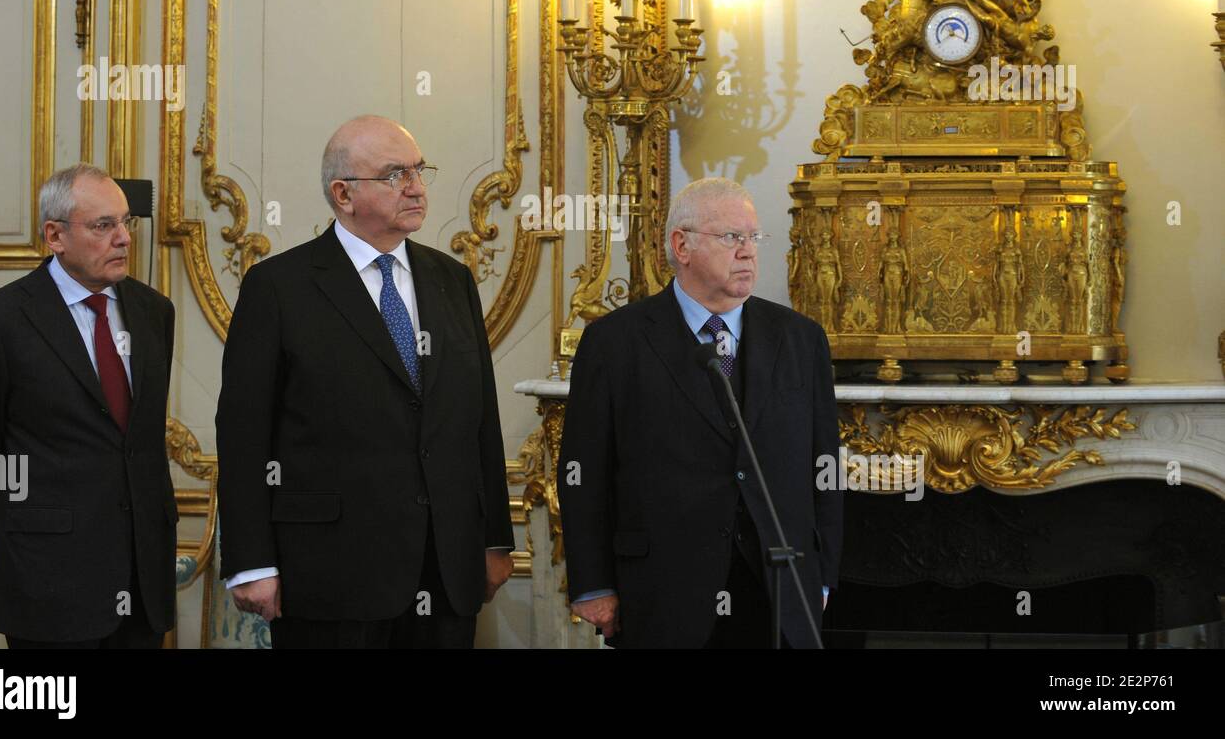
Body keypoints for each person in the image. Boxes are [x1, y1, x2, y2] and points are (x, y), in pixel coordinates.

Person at [216, 115, 514, 648]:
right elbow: (243, 434)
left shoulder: (453, 281)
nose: (417, 187)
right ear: (343, 193)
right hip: (329, 575)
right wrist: (250, 562)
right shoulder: (279, 287)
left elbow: (480, 420)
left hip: (445, 570)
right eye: (396, 174)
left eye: (420, 171)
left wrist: (495, 541)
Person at [557, 177, 842, 648]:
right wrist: (594, 584)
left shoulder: (800, 339)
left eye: (754, 238)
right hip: (663, 589)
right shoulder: (615, 342)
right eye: (731, 238)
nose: (748, 251)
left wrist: (823, 574)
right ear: (681, 245)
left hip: (778, 589)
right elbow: (583, 472)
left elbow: (824, 465)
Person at [0, 163, 177, 648]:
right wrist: (27, 531)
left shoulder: (155, 312)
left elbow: (138, 443)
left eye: (126, 222)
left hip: (141, 581)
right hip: (46, 582)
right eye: (103, 225)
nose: (123, 238)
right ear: (55, 235)